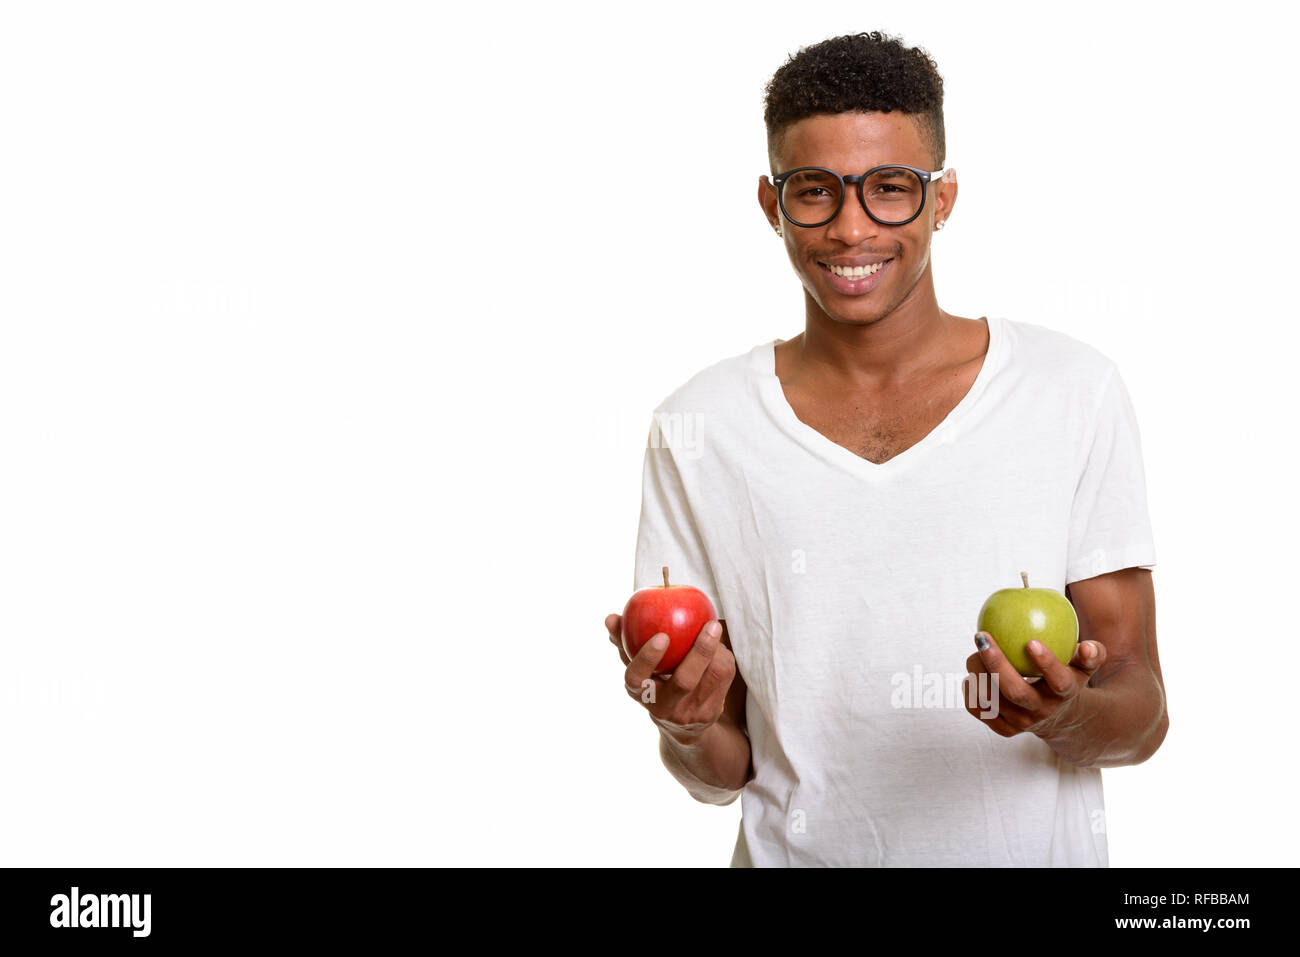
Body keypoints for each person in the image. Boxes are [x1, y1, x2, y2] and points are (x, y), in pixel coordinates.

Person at [604, 31, 1167, 867]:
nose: (851, 227)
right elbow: (720, 770)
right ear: (771, 204)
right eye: (815, 191)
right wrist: (685, 720)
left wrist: (1059, 711)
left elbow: (1142, 714)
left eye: (891, 188)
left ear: (942, 200)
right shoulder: (701, 426)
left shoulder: (1070, 391)